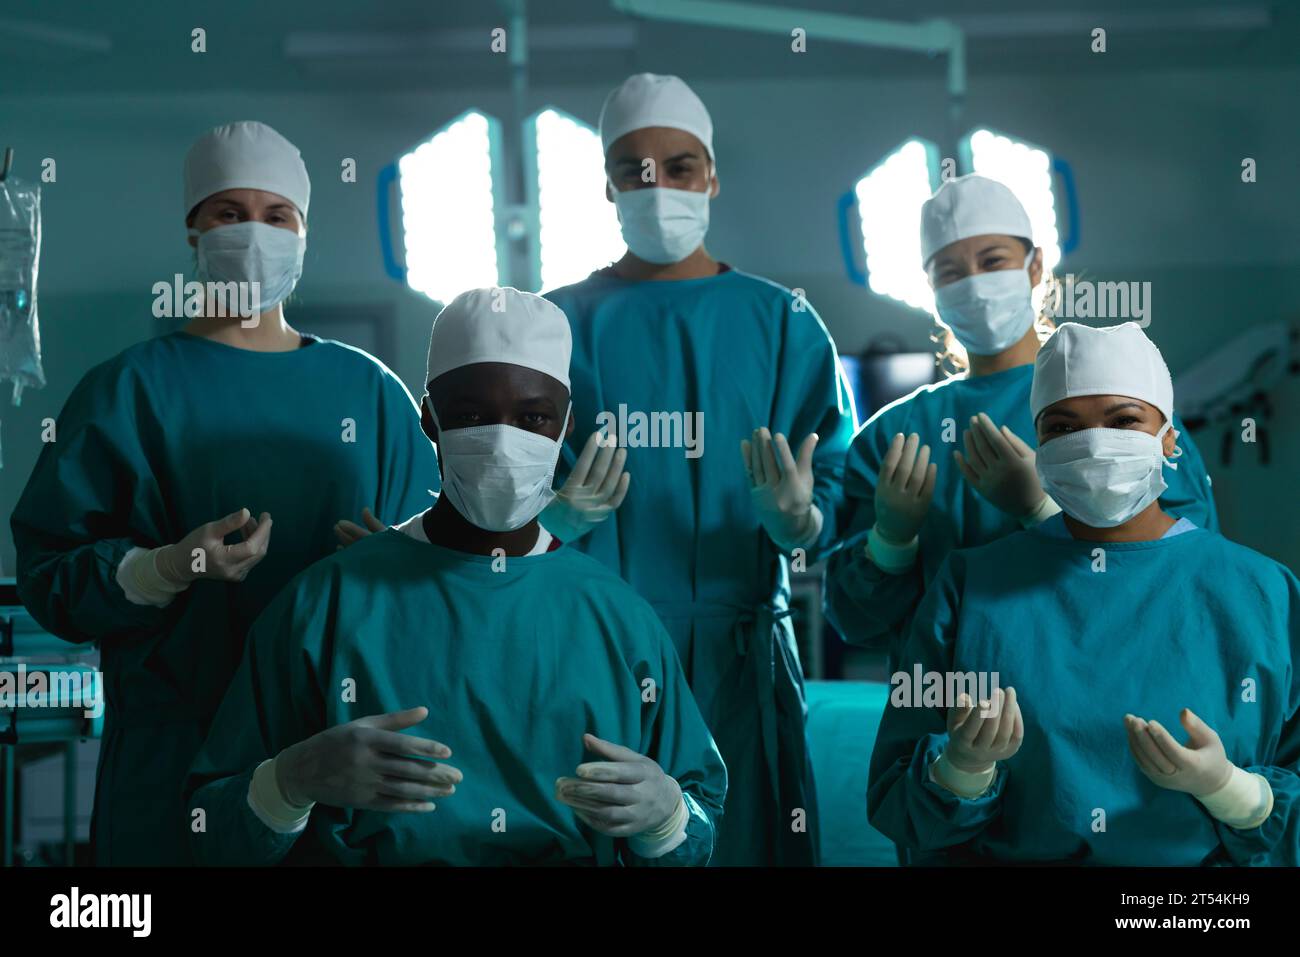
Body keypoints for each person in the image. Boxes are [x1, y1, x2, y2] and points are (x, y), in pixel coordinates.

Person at [9, 121, 438, 865]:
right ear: (192, 232)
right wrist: (164, 568)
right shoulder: (128, 389)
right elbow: (52, 581)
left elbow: (451, 587)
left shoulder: (371, 393)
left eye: (278, 216)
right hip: (174, 756)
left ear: (304, 234)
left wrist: (397, 573)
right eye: (228, 213)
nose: (253, 233)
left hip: (345, 760)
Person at [183, 287, 727, 866]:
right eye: (470, 416)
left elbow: (697, 825)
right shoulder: (327, 604)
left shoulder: (618, 619)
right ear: (428, 417)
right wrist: (287, 783)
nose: (500, 440)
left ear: (567, 424)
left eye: (532, 418)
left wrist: (666, 818)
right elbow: (209, 829)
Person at [543, 73, 857, 865]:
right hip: (596, 649)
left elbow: (836, 490)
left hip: (738, 656)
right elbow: (499, 491)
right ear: (608, 184)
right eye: (634, 170)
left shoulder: (781, 321)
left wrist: (798, 523)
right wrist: (556, 519)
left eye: (679, 167)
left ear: (712, 176)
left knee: (747, 838)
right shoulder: (555, 323)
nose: (658, 187)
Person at [867, 322, 1300, 865]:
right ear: (1041, 447)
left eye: (1123, 421)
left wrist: (1234, 791)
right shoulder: (971, 586)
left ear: (1170, 438)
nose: (1093, 443)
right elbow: (894, 797)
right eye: (1063, 428)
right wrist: (962, 770)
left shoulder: (1263, 593)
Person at [826, 174, 1217, 662]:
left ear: (1034, 267)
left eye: (992, 261)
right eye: (951, 271)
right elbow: (853, 618)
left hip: (1094, 681)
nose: (974, 283)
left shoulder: (1117, 401)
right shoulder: (894, 433)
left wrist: (1042, 512)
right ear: (930, 287)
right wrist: (891, 541)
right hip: (945, 708)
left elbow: (1184, 571)